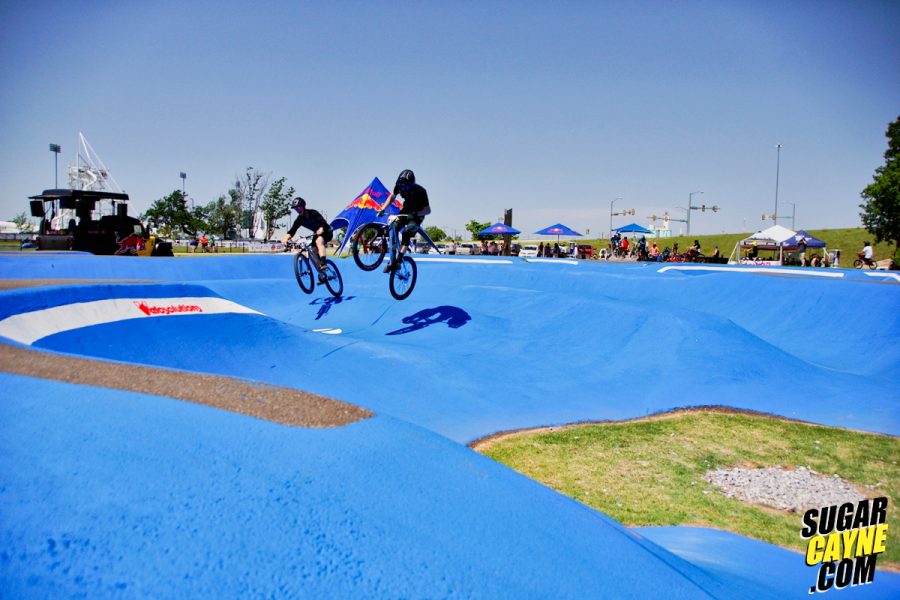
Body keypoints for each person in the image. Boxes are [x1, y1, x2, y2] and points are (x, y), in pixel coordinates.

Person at [376, 169, 431, 271]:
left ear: (411, 185)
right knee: (393, 227)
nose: (403, 188)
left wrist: (416, 213)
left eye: (406, 186)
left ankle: (399, 260)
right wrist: (383, 208)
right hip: (406, 210)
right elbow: (391, 197)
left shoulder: (421, 191)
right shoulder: (399, 185)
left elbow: (428, 210)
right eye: (402, 186)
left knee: (406, 233)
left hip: (417, 214)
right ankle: (392, 257)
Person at [282, 197, 333, 283]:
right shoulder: (299, 219)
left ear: (303, 206)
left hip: (326, 231)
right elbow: (292, 230)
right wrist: (285, 238)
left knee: (318, 241)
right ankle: (321, 274)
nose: (297, 210)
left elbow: (323, 222)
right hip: (316, 234)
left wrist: (321, 228)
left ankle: (324, 263)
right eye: (295, 209)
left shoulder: (313, 213)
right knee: (312, 252)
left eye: (298, 207)